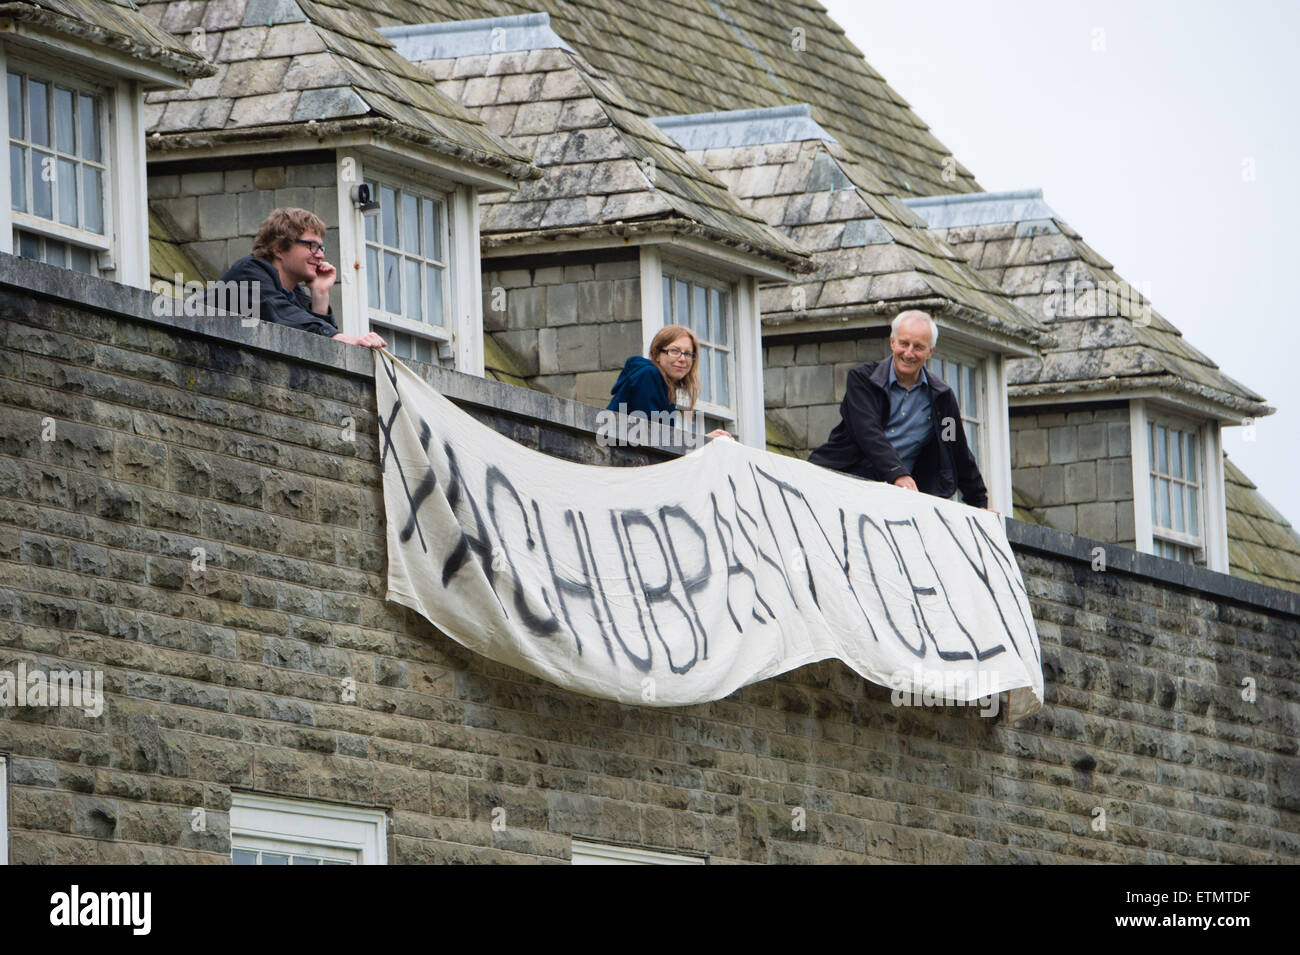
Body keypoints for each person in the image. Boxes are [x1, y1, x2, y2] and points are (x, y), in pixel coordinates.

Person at [809, 310, 993, 510]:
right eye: (904, 344)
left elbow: (955, 447)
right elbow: (868, 432)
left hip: (898, 500)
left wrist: (980, 504)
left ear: (931, 351)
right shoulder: (863, 380)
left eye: (918, 347)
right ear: (892, 342)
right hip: (842, 483)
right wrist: (898, 473)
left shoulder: (942, 398)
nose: (909, 353)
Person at [217, 208, 386, 348]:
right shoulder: (247, 275)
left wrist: (319, 295)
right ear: (279, 248)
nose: (320, 255)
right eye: (312, 246)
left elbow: (317, 346)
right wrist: (344, 339)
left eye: (321, 248)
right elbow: (282, 315)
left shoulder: (293, 293)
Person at [607, 324, 731, 439]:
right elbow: (652, 436)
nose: (682, 359)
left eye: (687, 354)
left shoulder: (665, 386)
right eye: (674, 351)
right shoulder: (648, 375)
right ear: (656, 354)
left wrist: (703, 441)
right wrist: (702, 442)